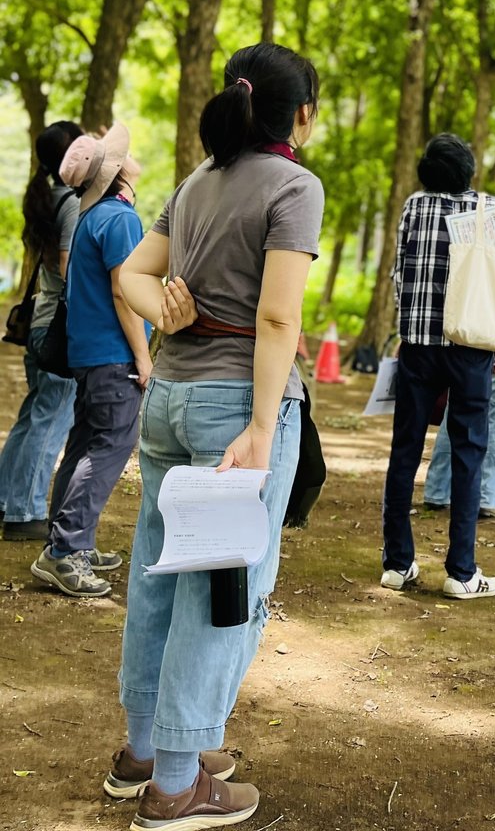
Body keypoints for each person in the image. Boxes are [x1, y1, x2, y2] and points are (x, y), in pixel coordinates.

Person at [111, 42, 322, 828]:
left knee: (158, 573)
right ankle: (176, 784)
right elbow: (277, 315)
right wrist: (266, 424)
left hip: (167, 397)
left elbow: (128, 275)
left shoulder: (198, 183)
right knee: (221, 589)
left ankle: (144, 750)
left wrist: (161, 306)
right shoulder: (295, 185)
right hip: (236, 408)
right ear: (301, 112)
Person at [382, 132, 495, 599]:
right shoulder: (491, 210)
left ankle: (397, 564)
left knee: (405, 449)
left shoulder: (414, 207)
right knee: (468, 452)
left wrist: (405, 330)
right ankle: (461, 572)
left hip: (418, 345)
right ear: (468, 170)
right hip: (471, 345)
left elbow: (400, 274)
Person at [30, 124, 150, 598]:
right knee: (109, 446)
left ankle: (68, 543)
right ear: (118, 170)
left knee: (83, 446)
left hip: (88, 353)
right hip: (113, 354)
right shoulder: (119, 220)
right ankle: (64, 550)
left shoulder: (90, 217)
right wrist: (143, 356)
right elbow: (125, 292)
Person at [423, 134, 495, 518]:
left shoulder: (464, 227)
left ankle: (437, 490)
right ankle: (484, 497)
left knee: (456, 414)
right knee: (494, 418)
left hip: (462, 329)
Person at [0, 120, 82, 541]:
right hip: (58, 328)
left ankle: (6, 500)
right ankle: (24, 512)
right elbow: (68, 269)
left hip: (39, 323)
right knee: (51, 419)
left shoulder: (45, 197)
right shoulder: (69, 203)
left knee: (34, 415)